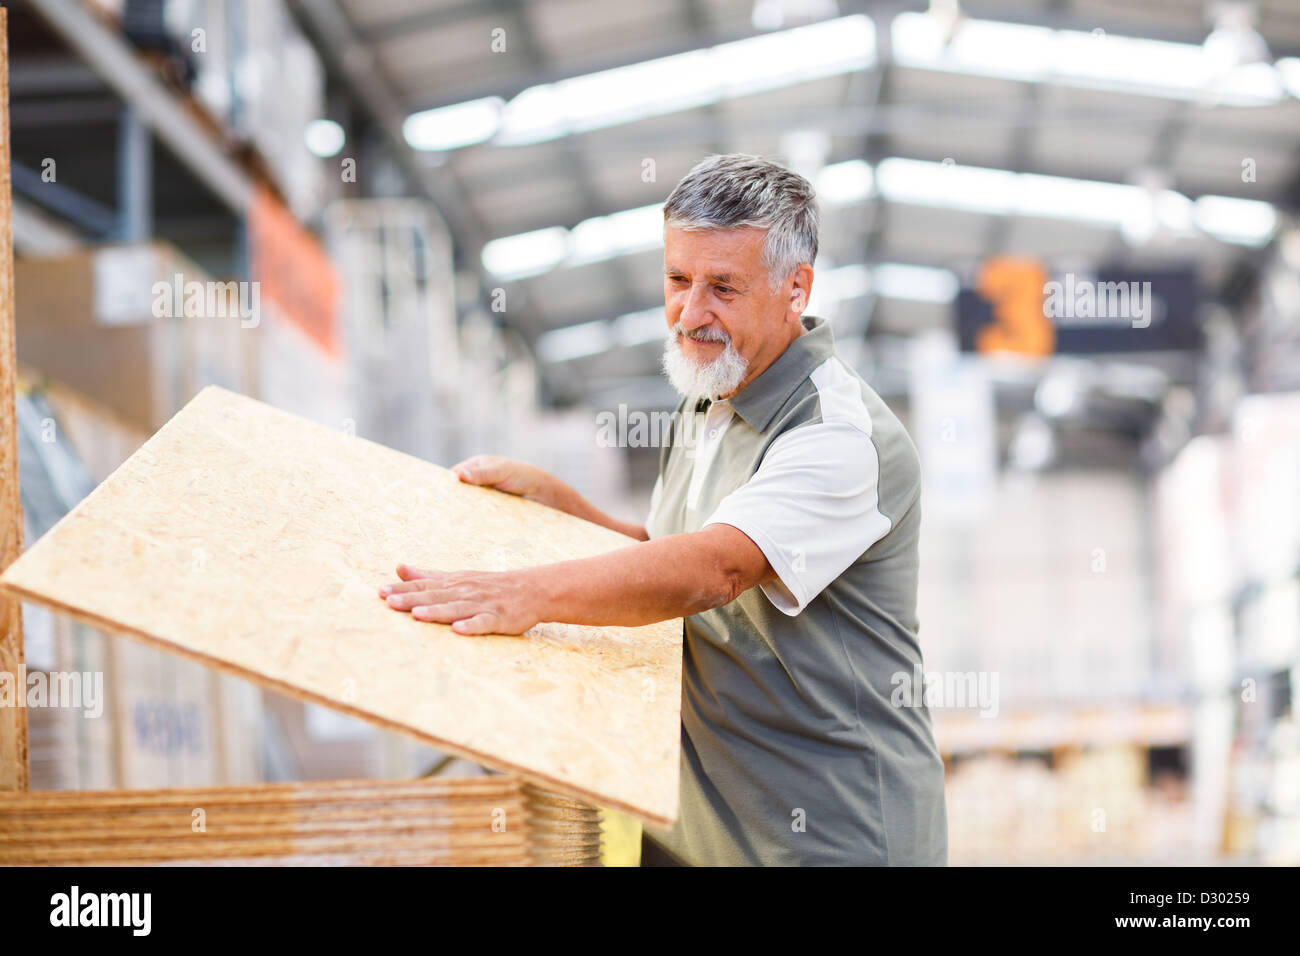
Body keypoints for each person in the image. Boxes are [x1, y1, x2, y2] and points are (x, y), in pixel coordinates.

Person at [379, 154, 948, 866]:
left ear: (794, 288)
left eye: (723, 287)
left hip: (828, 835)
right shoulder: (710, 396)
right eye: (678, 280)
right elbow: (665, 546)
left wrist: (523, 594)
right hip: (709, 830)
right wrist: (563, 505)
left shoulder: (837, 436)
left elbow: (714, 571)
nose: (691, 312)